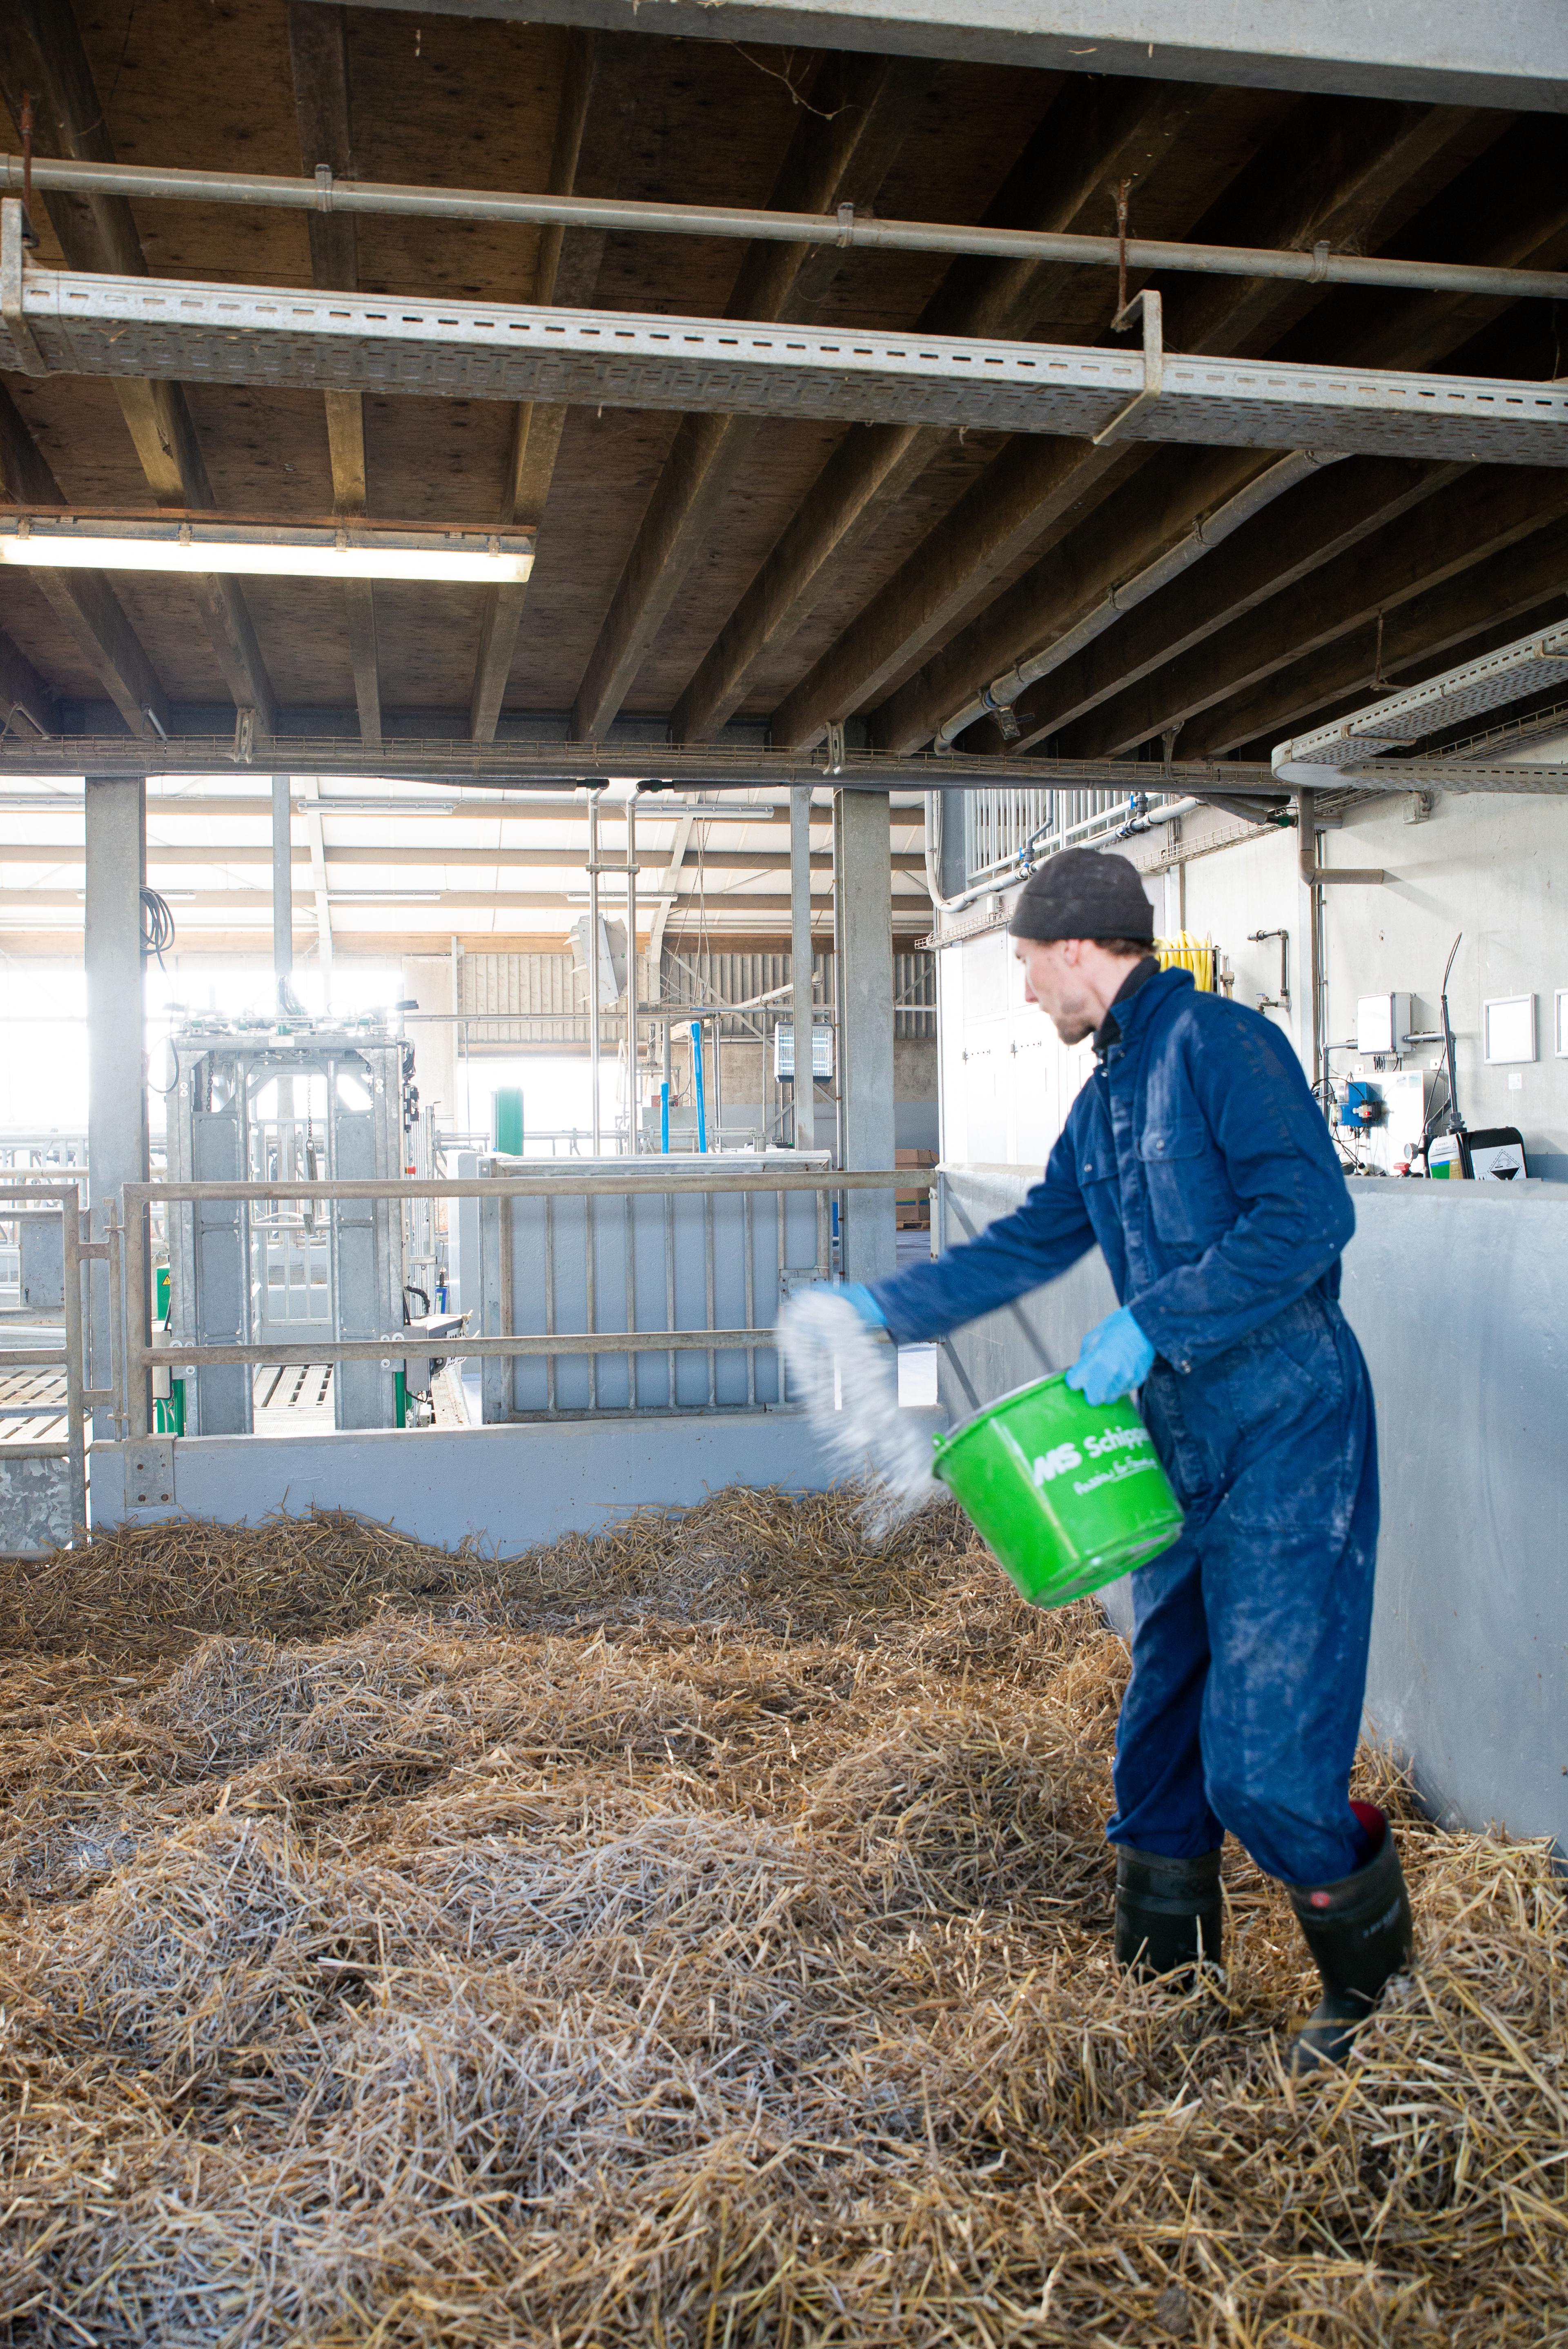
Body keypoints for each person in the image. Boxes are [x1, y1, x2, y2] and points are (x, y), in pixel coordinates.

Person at [842, 846, 1411, 2072]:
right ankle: (1168, 1993)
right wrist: (891, 1309)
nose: (1026, 993)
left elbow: (1312, 1217)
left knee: (1261, 1764)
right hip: (1183, 1441)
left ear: (1080, 946)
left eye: (1027, 965)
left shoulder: (1220, 1047)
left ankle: (1378, 1999)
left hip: (1285, 1429)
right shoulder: (1104, 1102)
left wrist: (1157, 1317)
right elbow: (1029, 1242)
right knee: (1160, 1726)